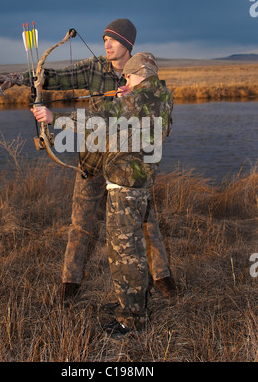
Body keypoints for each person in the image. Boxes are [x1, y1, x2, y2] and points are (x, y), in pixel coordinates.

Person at [0, 19, 176, 302]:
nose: (107, 45)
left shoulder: (141, 77)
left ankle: (162, 277)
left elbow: (159, 121)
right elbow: (52, 77)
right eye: (104, 40)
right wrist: (21, 78)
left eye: (113, 40)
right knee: (80, 223)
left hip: (127, 166)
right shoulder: (94, 67)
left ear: (128, 46)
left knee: (147, 221)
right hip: (92, 160)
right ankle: (70, 282)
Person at [75, 52, 174, 335]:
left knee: (124, 253)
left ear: (139, 73)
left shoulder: (135, 100)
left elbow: (96, 119)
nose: (126, 81)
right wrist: (131, 92)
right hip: (139, 183)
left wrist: (52, 117)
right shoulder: (163, 95)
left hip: (125, 184)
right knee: (134, 249)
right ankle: (131, 304)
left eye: (129, 76)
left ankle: (131, 319)